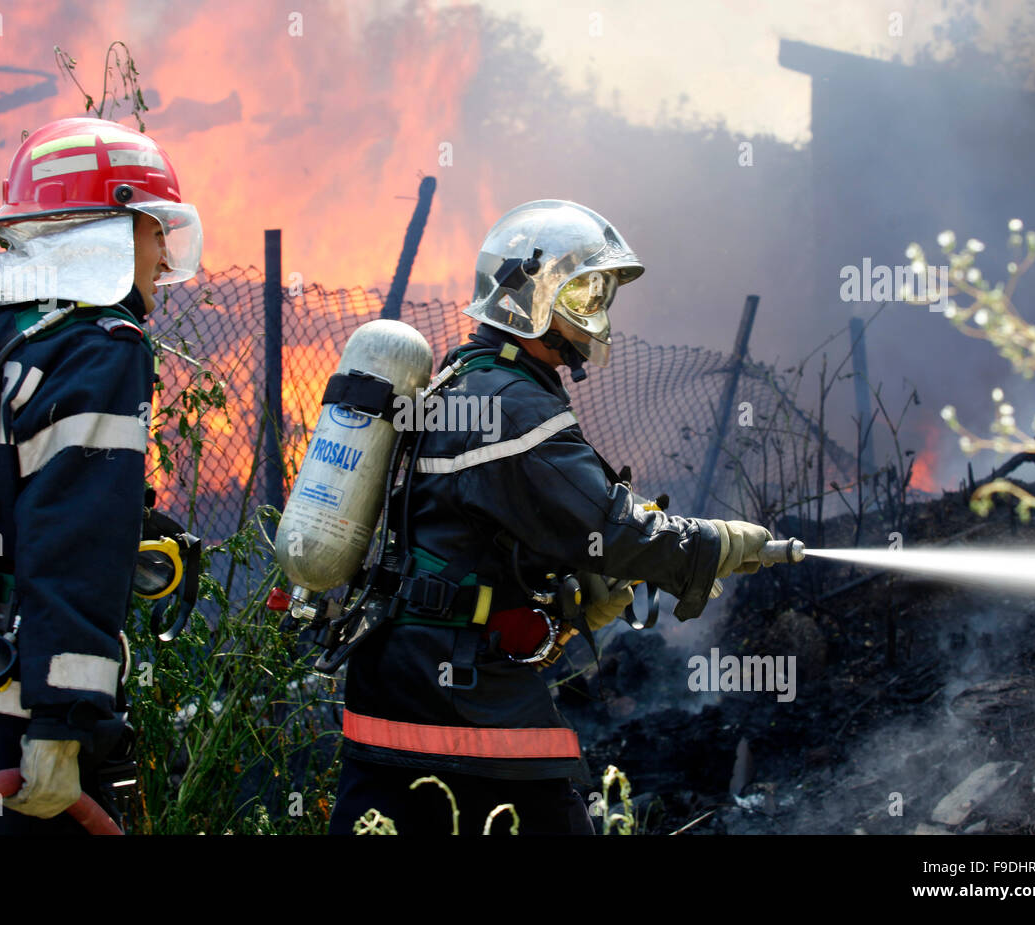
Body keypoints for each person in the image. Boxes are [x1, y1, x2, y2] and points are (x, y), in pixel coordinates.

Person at [329, 200, 771, 835]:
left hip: (402, 681)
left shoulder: (464, 379)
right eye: (585, 292)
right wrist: (714, 544)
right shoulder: (512, 410)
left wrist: (567, 609)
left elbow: (480, 542)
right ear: (532, 299)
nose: (597, 312)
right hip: (462, 704)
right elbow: (613, 528)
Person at [0, 117, 202, 833]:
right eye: (151, 227)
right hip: (7, 712)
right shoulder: (98, 347)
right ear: (107, 227)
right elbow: (75, 537)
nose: (162, 252)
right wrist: (65, 720)